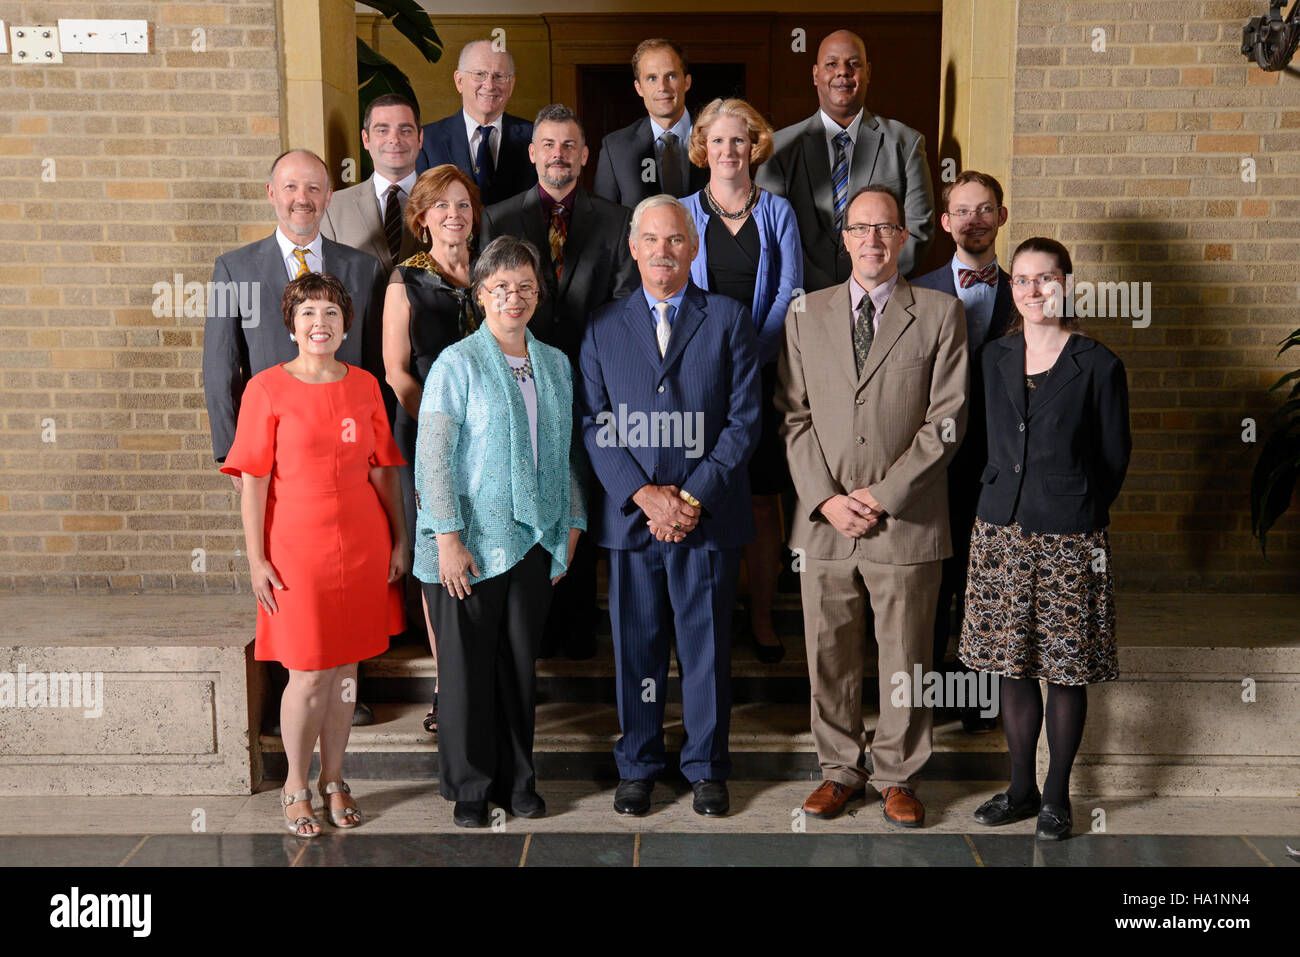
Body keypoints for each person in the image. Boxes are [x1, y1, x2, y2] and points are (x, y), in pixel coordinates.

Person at [775, 185, 967, 827]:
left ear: (905, 237)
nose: (874, 240)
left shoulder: (940, 313)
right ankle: (838, 770)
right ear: (845, 236)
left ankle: (898, 776)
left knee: (906, 657)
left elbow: (947, 421)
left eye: (886, 229)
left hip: (906, 522)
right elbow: (793, 417)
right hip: (825, 525)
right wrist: (827, 500)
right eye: (862, 228)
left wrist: (881, 497)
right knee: (827, 654)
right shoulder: (806, 313)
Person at [577, 195, 761, 818]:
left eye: (676, 240)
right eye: (651, 240)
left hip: (706, 519)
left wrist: (692, 496)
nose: (663, 251)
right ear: (633, 248)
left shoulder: (730, 318)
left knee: (706, 649)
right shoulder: (603, 324)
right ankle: (640, 763)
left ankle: (707, 767)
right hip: (633, 523)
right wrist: (642, 494)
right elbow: (596, 423)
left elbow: (744, 420)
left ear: (694, 247)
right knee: (639, 647)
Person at [203, 147, 387, 728]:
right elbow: (218, 371)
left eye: (313, 188)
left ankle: (340, 689)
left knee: (345, 570)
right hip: (275, 462)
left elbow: (376, 368)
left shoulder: (361, 268)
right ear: (271, 194)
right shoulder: (234, 268)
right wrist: (237, 459)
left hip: (346, 460)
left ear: (329, 197)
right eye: (290, 187)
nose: (302, 199)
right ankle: (299, 688)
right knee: (287, 579)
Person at [220, 272, 407, 837]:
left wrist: (399, 538)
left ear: (346, 324)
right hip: (296, 545)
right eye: (308, 314)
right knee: (307, 671)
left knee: (347, 669)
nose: (319, 323)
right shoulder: (266, 388)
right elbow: (253, 480)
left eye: (330, 312)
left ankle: (334, 778)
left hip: (362, 539)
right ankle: (294, 785)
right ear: (292, 325)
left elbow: (381, 468)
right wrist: (256, 559)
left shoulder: (365, 385)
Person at [961, 237, 1131, 841]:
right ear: (1014, 289)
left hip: (1069, 537)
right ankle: (1019, 790)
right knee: (1012, 667)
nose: (1035, 290)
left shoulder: (1099, 363)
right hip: (1000, 531)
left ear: (1067, 283)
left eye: (1047, 278)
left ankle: (1057, 797)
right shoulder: (992, 358)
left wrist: (1073, 504)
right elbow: (980, 441)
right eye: (1025, 279)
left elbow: (1113, 458)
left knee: (1064, 670)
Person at [415, 236, 585, 828]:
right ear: (480, 294)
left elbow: (566, 454)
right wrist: (446, 537)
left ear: (538, 294)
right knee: (465, 672)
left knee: (517, 668)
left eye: (525, 287)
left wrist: (574, 525)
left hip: (534, 540)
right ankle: (469, 786)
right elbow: (432, 457)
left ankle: (519, 783)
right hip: (467, 544)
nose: (514, 298)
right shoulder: (456, 363)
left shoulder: (556, 364)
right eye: (501, 287)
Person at [481, 103, 640, 659]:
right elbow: (496, 297)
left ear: (585, 155)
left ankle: (576, 628)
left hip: (588, 386)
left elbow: (623, 307)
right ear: (532, 153)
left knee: (582, 499)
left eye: (569, 146)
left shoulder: (617, 219)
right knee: (526, 494)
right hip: (518, 380)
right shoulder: (499, 217)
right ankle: (529, 633)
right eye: (548, 145)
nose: (559, 155)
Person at [679, 97, 802, 664]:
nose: (729, 150)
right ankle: (708, 616)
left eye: (739, 139)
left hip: (762, 371)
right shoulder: (681, 213)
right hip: (697, 376)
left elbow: (790, 293)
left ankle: (760, 617)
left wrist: (748, 355)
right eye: (718, 140)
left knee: (758, 498)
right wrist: (712, 357)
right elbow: (672, 291)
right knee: (701, 493)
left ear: (754, 146)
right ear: (703, 146)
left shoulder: (778, 212)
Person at [912, 170, 1015, 733]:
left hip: (1002, 466)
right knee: (935, 586)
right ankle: (924, 702)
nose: (974, 219)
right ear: (946, 222)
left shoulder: (1029, 291)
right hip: (935, 466)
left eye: (986, 208)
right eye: (963, 210)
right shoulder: (919, 291)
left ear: (1002, 216)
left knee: (989, 586)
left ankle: (979, 701)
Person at [382, 164, 483, 736]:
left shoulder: (493, 270)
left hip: (494, 437)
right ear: (422, 219)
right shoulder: (405, 280)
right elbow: (396, 372)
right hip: (426, 431)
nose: (454, 215)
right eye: (441, 206)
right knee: (437, 550)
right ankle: (448, 688)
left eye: (463, 204)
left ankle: (485, 673)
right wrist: (445, 429)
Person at [755, 29, 934, 289]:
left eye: (854, 64)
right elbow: (771, 231)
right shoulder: (778, 148)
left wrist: (868, 285)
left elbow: (919, 229)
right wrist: (825, 294)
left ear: (868, 72)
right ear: (816, 75)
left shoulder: (906, 143)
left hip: (882, 299)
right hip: (804, 299)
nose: (843, 72)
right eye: (832, 64)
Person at [415, 40, 536, 207]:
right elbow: (420, 209)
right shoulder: (427, 140)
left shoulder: (536, 137)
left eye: (499, 76)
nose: (489, 85)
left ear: (511, 84)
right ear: (459, 81)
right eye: (480, 74)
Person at [592, 39, 710, 208]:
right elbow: (605, 221)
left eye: (671, 76)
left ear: (687, 82)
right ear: (639, 88)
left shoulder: (718, 138)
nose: (662, 87)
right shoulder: (616, 149)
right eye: (652, 78)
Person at [320, 93, 424, 276]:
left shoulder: (447, 202)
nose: (394, 139)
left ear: (420, 138)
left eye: (405, 130)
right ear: (366, 139)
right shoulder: (333, 208)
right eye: (382, 130)